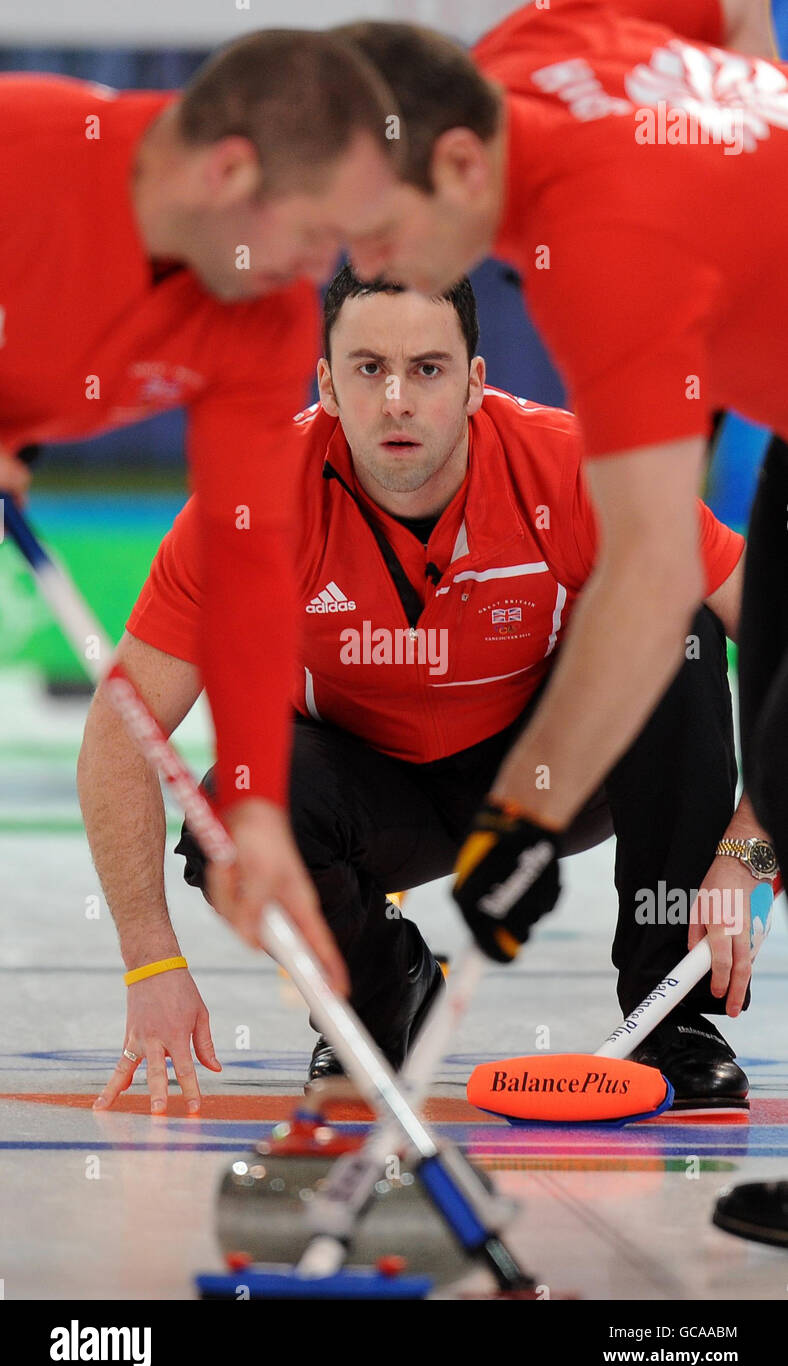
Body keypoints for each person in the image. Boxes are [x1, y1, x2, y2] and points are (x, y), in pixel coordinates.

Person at [79, 268, 758, 1114]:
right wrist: (151, 962)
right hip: (368, 788)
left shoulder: (580, 468)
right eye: (368, 369)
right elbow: (121, 731)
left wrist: (751, 847)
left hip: (545, 776)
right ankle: (382, 995)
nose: (397, 400)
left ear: (477, 381)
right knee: (232, 818)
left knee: (675, 621)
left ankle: (673, 1015)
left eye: (428, 369)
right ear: (325, 384)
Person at [327, 1, 786, 974]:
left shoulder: (603, 251)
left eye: (372, 230)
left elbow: (653, 577)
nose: (361, 263)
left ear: (455, 167)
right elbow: (738, 9)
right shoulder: (528, 47)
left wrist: (526, 818)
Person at [0, 30, 405, 992]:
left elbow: (250, 561)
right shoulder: (23, 149)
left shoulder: (260, 311)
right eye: (315, 232)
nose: (321, 268)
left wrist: (258, 805)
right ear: (230, 171)